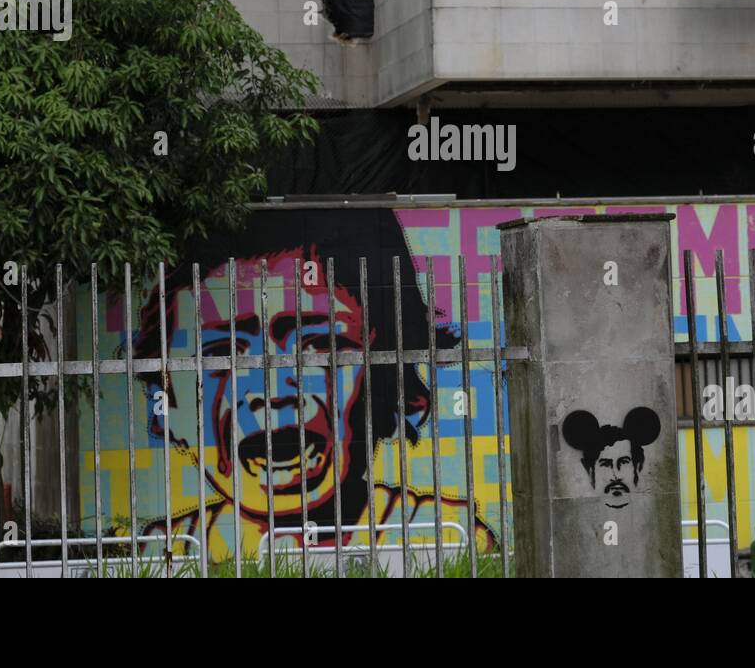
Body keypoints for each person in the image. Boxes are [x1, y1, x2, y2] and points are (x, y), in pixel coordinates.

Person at [129, 209, 498, 563]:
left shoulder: (442, 534)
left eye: (318, 345)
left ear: (381, 373)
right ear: (167, 408)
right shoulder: (169, 551)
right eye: (223, 356)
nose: (272, 393)